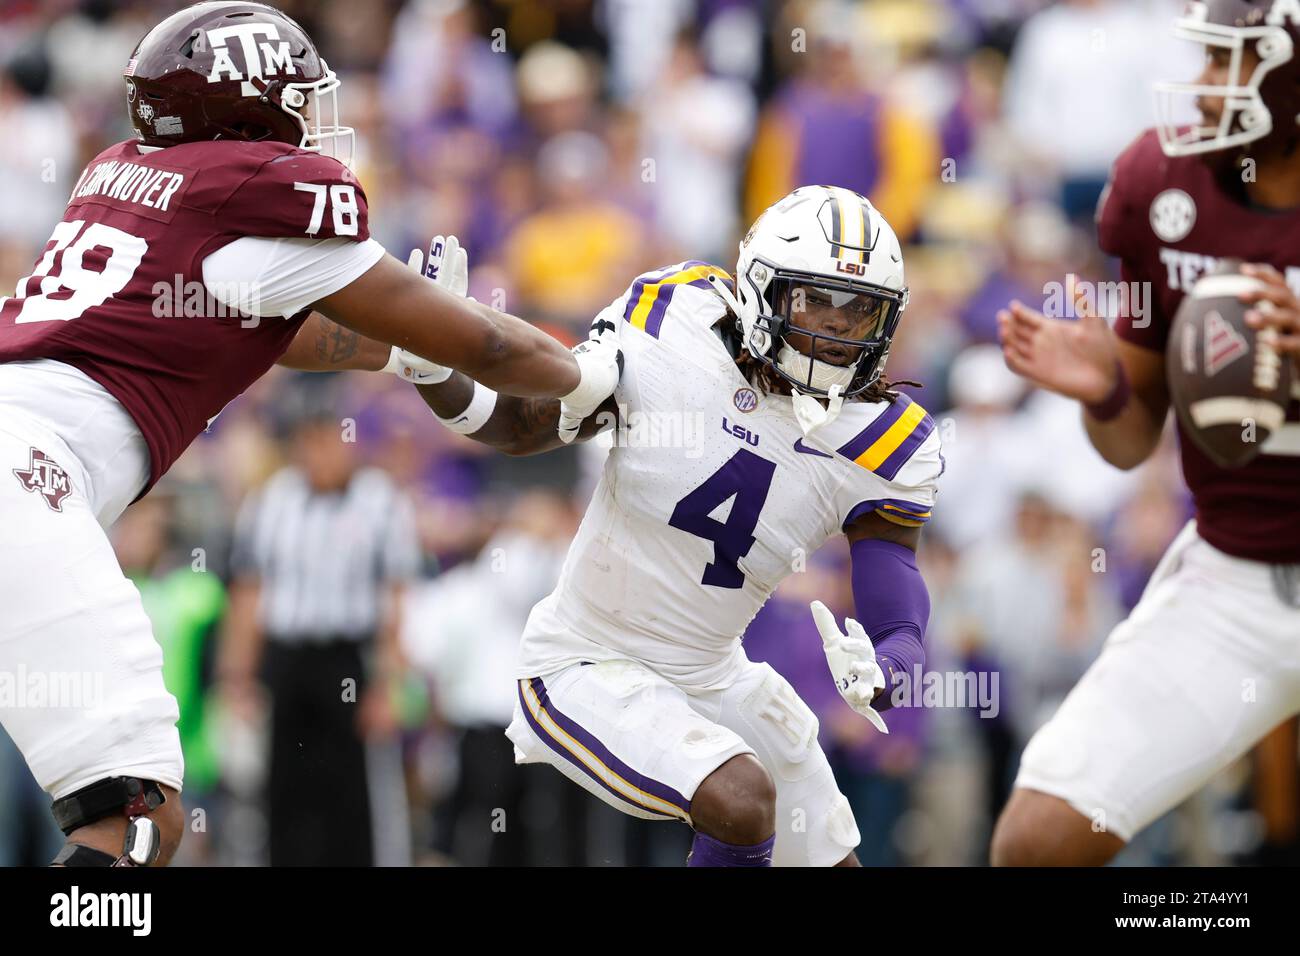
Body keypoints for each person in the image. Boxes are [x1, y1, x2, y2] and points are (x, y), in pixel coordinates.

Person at [0, 1, 620, 868]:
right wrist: (601, 377)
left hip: (20, 449)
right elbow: (488, 342)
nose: (308, 120)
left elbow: (270, 327)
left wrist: (413, 362)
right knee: (137, 821)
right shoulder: (259, 209)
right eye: (296, 96)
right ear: (247, 107)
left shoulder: (122, 180)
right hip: (27, 484)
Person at [408, 185, 942, 866]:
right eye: (816, 303)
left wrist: (890, 666)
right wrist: (432, 366)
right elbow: (520, 423)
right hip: (585, 660)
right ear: (760, 289)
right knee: (741, 799)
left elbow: (896, 606)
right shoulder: (674, 319)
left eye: (859, 312)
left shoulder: (882, 439)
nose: (835, 333)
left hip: (713, 675)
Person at [991, 0, 1300, 866]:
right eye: (1205, 61)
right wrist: (1105, 395)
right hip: (1238, 577)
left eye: (1232, 65)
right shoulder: (1165, 187)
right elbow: (1131, 445)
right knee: (1039, 842)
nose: (1204, 90)